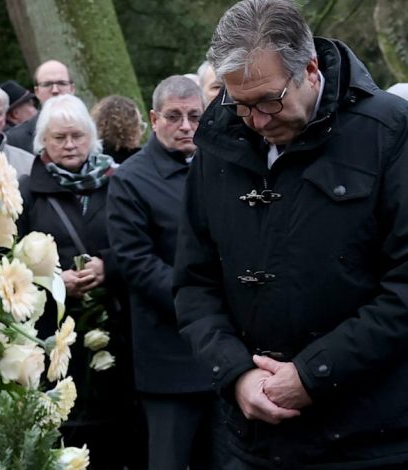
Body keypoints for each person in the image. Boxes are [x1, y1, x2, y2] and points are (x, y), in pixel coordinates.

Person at [173, 0, 408, 468]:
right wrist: (237, 374)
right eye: (241, 105)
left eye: (268, 100)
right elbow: (194, 282)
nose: (257, 121)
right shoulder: (219, 144)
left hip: (369, 439)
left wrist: (313, 374)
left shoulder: (388, 133)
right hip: (252, 438)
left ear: (311, 69)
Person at [107, 75, 215, 470]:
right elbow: (135, 260)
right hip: (170, 354)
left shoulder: (221, 167)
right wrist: (199, 305)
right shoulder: (131, 179)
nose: (185, 126)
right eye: (174, 116)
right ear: (154, 119)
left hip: (226, 352)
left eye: (194, 116)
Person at [16, 94, 129, 469]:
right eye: (59, 137)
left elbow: (140, 246)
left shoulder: (120, 182)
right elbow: (9, 264)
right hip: (55, 336)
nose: (69, 145)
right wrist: (54, 281)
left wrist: (107, 267)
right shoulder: (27, 192)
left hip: (117, 329)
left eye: (77, 136)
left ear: (92, 137)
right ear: (42, 142)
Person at [6, 60, 76, 153]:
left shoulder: (94, 131)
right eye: (47, 84)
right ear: (37, 92)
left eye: (62, 83)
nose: (55, 90)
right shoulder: (14, 140)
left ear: (72, 89)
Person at [90, 95, 144, 164]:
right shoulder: (142, 161)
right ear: (133, 130)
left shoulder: (90, 159)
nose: (141, 133)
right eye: (140, 127)